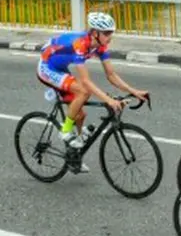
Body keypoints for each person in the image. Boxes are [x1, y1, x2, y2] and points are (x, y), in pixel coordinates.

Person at [37, 11, 148, 150]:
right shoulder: (80, 45)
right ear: (95, 33)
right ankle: (65, 130)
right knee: (83, 92)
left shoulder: (100, 46)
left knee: (80, 114)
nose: (110, 37)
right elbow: (85, 81)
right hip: (47, 68)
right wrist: (109, 100)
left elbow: (111, 75)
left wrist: (134, 91)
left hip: (60, 68)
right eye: (106, 33)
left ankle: (74, 153)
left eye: (111, 33)